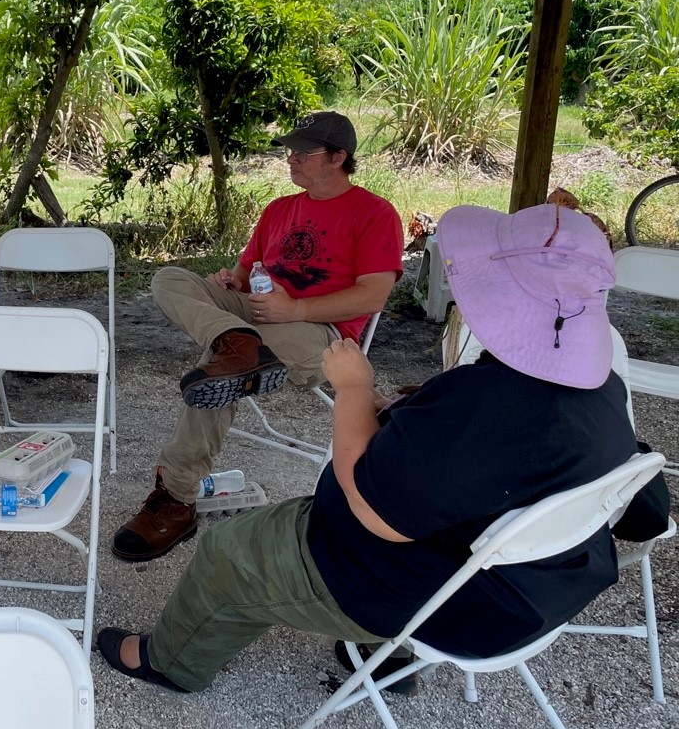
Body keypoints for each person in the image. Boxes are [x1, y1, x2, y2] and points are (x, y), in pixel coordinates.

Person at [96, 202, 666, 694]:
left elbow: (374, 510)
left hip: (444, 604)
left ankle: (170, 662)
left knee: (228, 551)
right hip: (524, 597)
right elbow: (647, 515)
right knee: (442, 518)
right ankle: (374, 652)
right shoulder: (602, 391)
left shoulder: (478, 407)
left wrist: (355, 388)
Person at [113, 111, 403, 562]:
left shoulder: (375, 213)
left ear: (338, 157)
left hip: (320, 332)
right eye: (290, 152)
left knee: (221, 377)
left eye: (303, 153)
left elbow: (374, 294)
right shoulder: (279, 209)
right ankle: (234, 342)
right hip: (256, 316)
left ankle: (177, 497)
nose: (291, 160)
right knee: (170, 278)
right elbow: (249, 276)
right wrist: (232, 282)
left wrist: (297, 308)